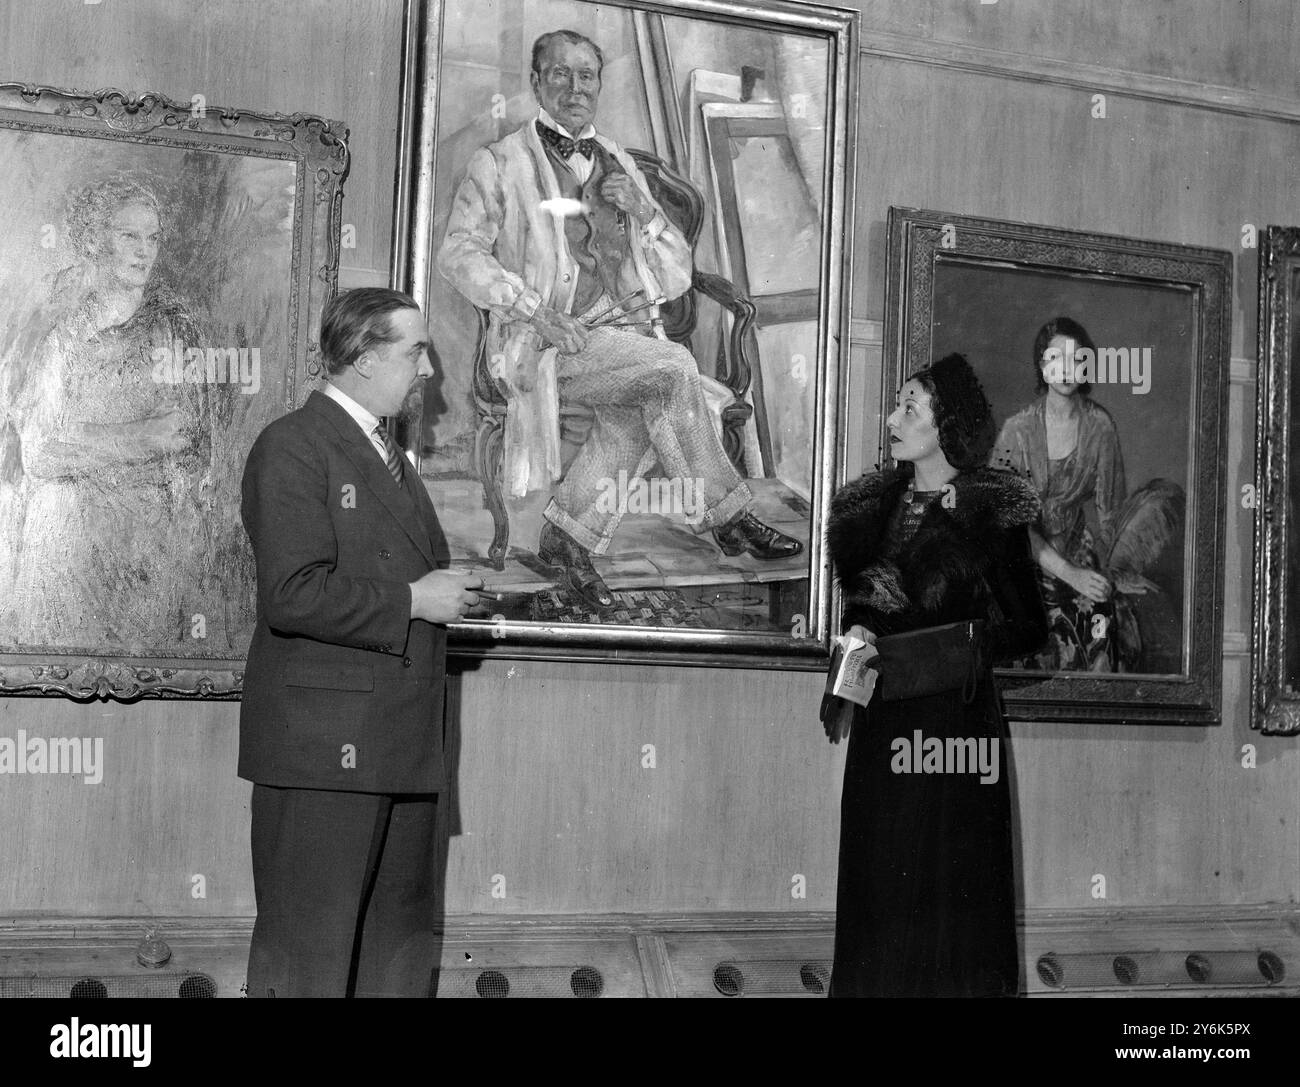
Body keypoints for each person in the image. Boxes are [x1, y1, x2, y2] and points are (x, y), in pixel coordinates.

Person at [437, 28, 800, 610]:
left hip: (622, 335)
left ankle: (566, 540)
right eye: (560, 73)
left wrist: (644, 215)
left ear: (599, 85)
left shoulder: (620, 163)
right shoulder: (499, 162)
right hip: (543, 343)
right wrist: (534, 311)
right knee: (673, 367)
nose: (575, 86)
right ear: (537, 83)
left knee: (642, 398)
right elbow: (458, 254)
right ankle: (729, 515)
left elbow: (678, 273)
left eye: (587, 75)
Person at [239, 288, 483, 997]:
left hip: (401, 749)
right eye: (415, 350)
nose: (429, 367)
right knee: (310, 963)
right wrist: (415, 598)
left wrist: (446, 591)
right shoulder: (291, 445)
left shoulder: (390, 457)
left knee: (396, 963)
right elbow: (291, 593)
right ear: (366, 357)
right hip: (324, 755)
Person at [825, 352, 1048, 997]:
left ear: (944, 424)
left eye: (909, 408)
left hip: (955, 727)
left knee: (950, 892)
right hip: (883, 724)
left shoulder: (989, 511)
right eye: (895, 405)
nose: (892, 418)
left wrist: (958, 646)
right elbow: (865, 608)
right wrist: (861, 630)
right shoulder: (869, 512)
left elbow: (1029, 627)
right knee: (879, 881)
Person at [7, 176, 222, 650]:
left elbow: (182, 434)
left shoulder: (174, 328)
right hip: (72, 538)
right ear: (95, 240)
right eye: (128, 235)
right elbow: (40, 455)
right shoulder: (65, 334)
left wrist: (82, 435)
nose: (144, 250)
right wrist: (141, 435)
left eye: (153, 238)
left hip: (147, 535)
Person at [994, 316, 1182, 672]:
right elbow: (1010, 526)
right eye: (1056, 359)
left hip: (1079, 546)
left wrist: (1118, 570)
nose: (1067, 369)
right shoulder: (1016, 431)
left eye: (1077, 359)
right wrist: (1069, 573)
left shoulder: (1100, 425)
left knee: (1105, 619)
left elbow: (1110, 510)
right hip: (1023, 555)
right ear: (1041, 365)